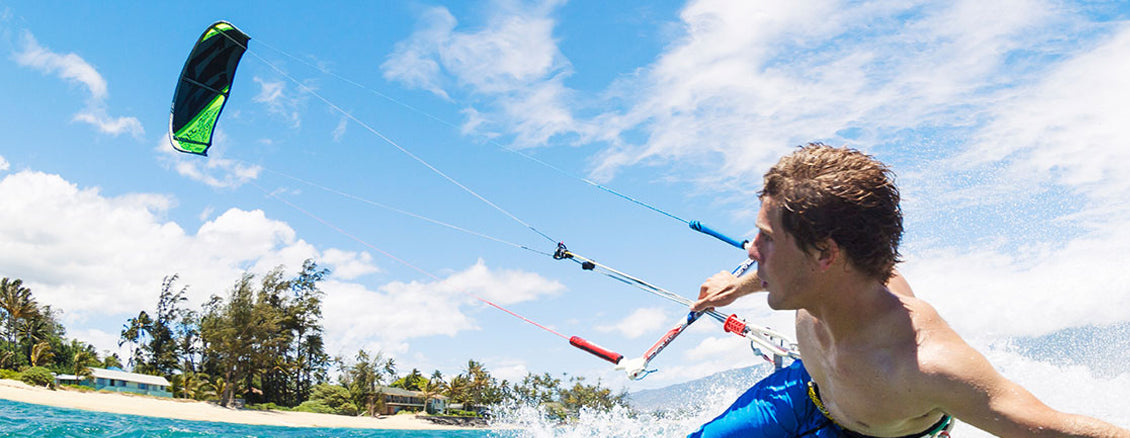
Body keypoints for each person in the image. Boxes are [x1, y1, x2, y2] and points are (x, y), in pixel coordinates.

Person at [687, 143, 1130, 438]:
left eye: (766, 238)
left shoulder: (925, 365)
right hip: (805, 394)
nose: (751, 250)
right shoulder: (822, 283)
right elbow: (792, 270)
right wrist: (737, 287)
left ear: (825, 254)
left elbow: (1050, 428)